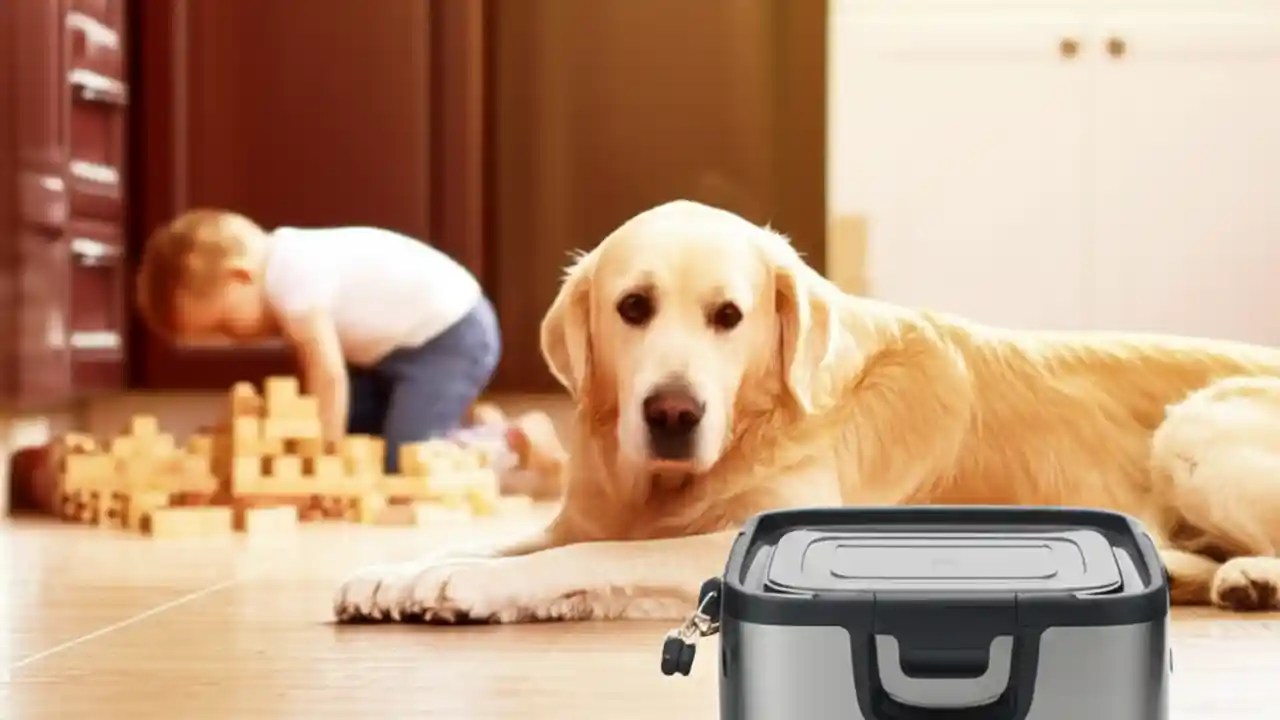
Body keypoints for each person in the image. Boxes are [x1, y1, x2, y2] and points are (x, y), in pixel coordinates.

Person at [135, 209, 506, 474]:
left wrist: (320, 464)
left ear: (241, 277)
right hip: (396, 351)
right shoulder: (288, 264)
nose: (233, 340)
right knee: (360, 438)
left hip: (449, 336)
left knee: (406, 459)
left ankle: (511, 444)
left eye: (227, 326)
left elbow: (328, 376)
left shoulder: (289, 278)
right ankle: (468, 425)